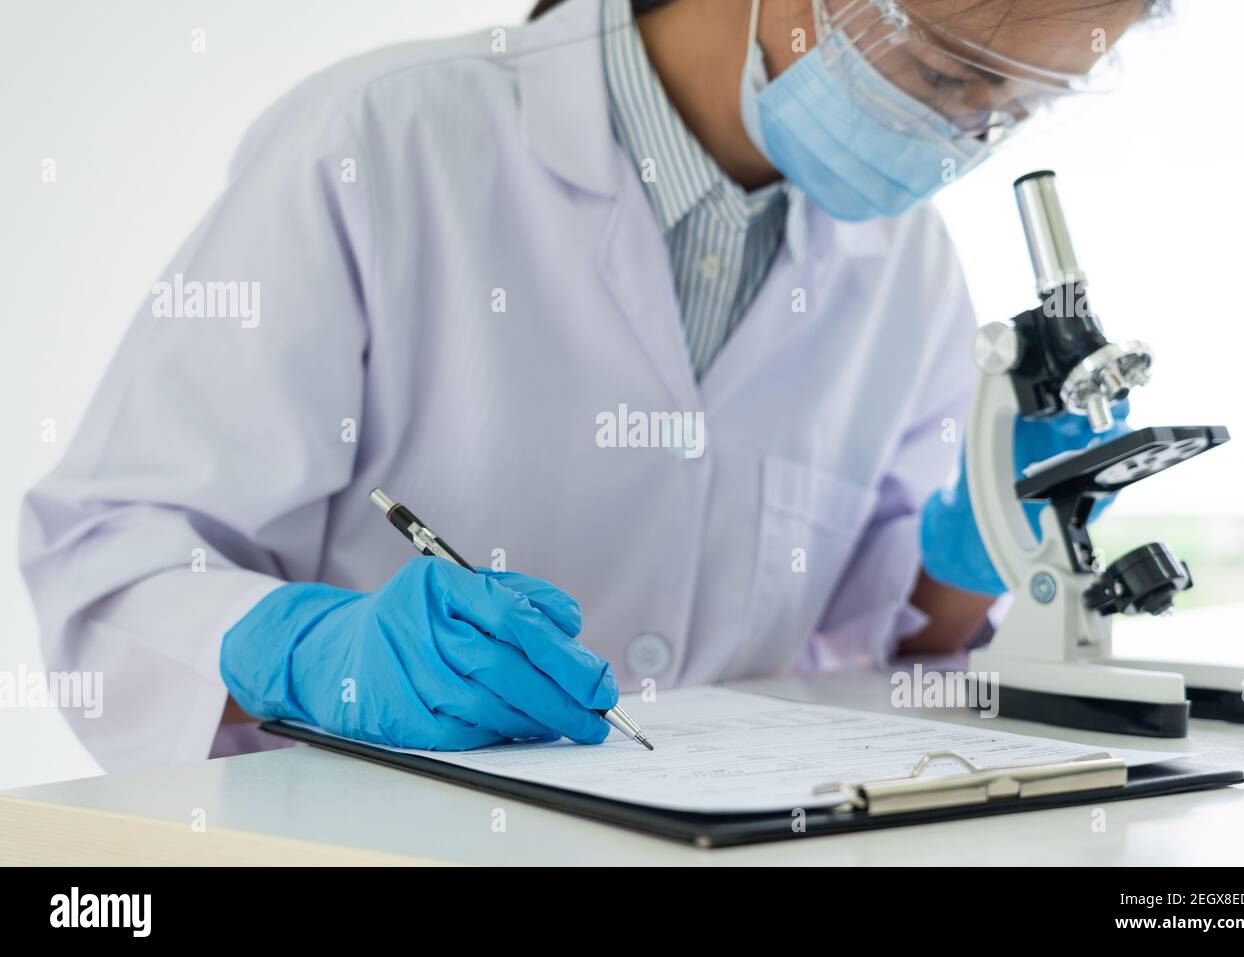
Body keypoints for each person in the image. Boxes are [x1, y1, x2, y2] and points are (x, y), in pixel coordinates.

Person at [19, 0, 1153, 769]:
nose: (965, 136)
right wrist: (314, 655)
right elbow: (110, 552)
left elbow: (889, 646)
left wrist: (982, 547)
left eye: (1015, 107)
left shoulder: (900, 257)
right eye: (951, 74)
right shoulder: (377, 141)